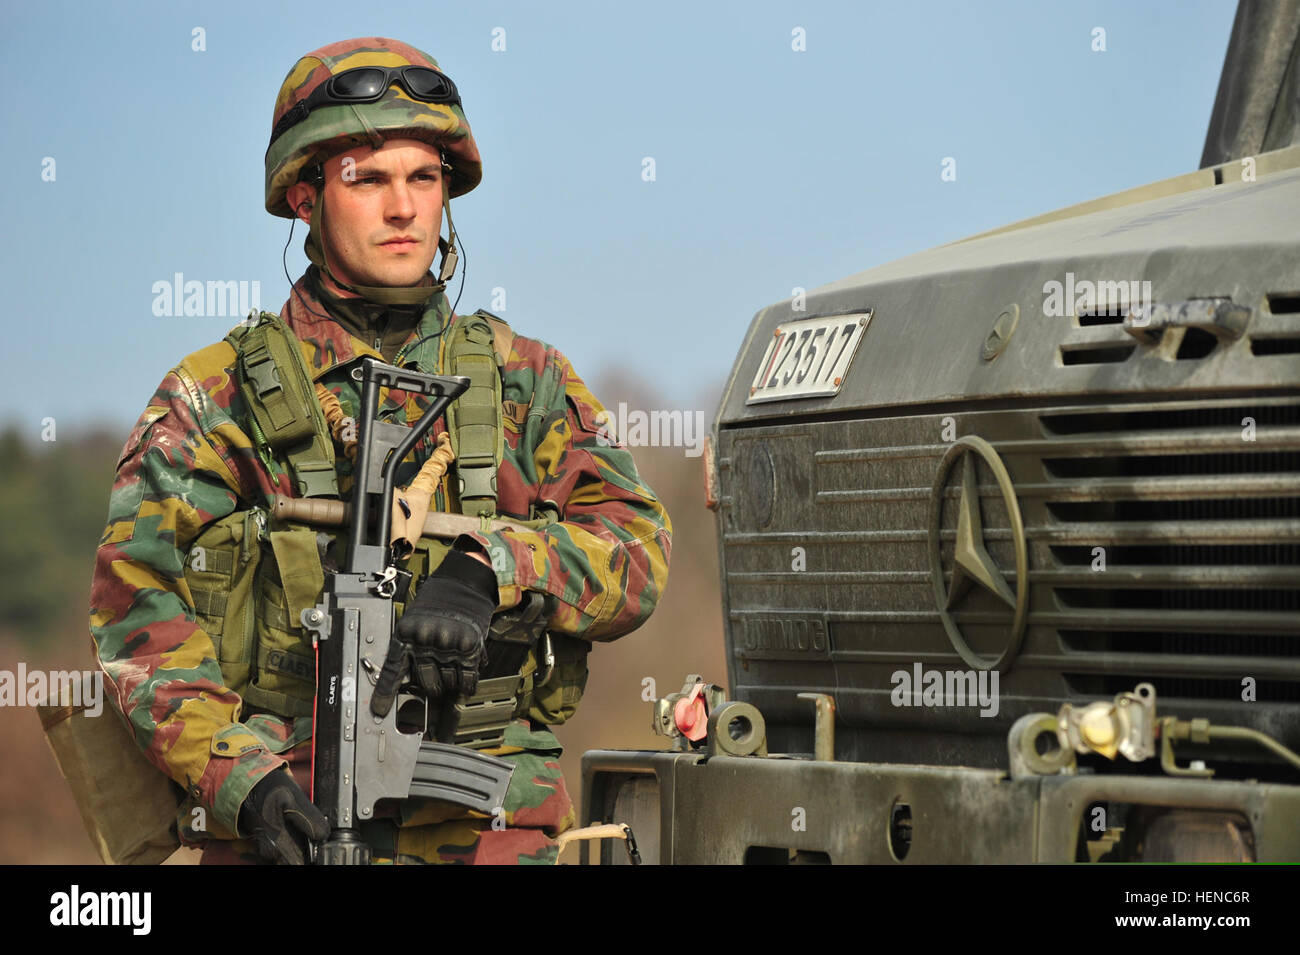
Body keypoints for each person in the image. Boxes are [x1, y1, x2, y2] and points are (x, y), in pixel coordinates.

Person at [88, 37, 672, 865]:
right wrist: (240, 777)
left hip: (494, 832)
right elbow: (132, 611)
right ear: (304, 196)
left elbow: (640, 549)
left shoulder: (523, 382)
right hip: (287, 833)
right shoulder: (215, 401)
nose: (404, 209)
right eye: (367, 178)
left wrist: (490, 568)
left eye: (422, 177)